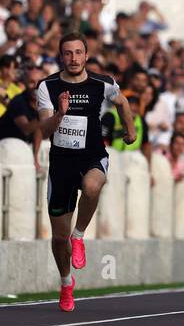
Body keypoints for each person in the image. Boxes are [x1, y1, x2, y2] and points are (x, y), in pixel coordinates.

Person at [35, 33, 136, 312]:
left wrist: (131, 131)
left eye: (79, 53)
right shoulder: (48, 86)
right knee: (57, 238)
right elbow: (43, 130)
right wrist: (60, 114)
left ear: (86, 55)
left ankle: (79, 236)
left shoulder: (102, 83)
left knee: (93, 187)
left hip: (92, 156)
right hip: (61, 164)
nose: (74, 58)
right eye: (68, 53)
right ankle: (66, 283)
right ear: (61, 56)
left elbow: (123, 103)